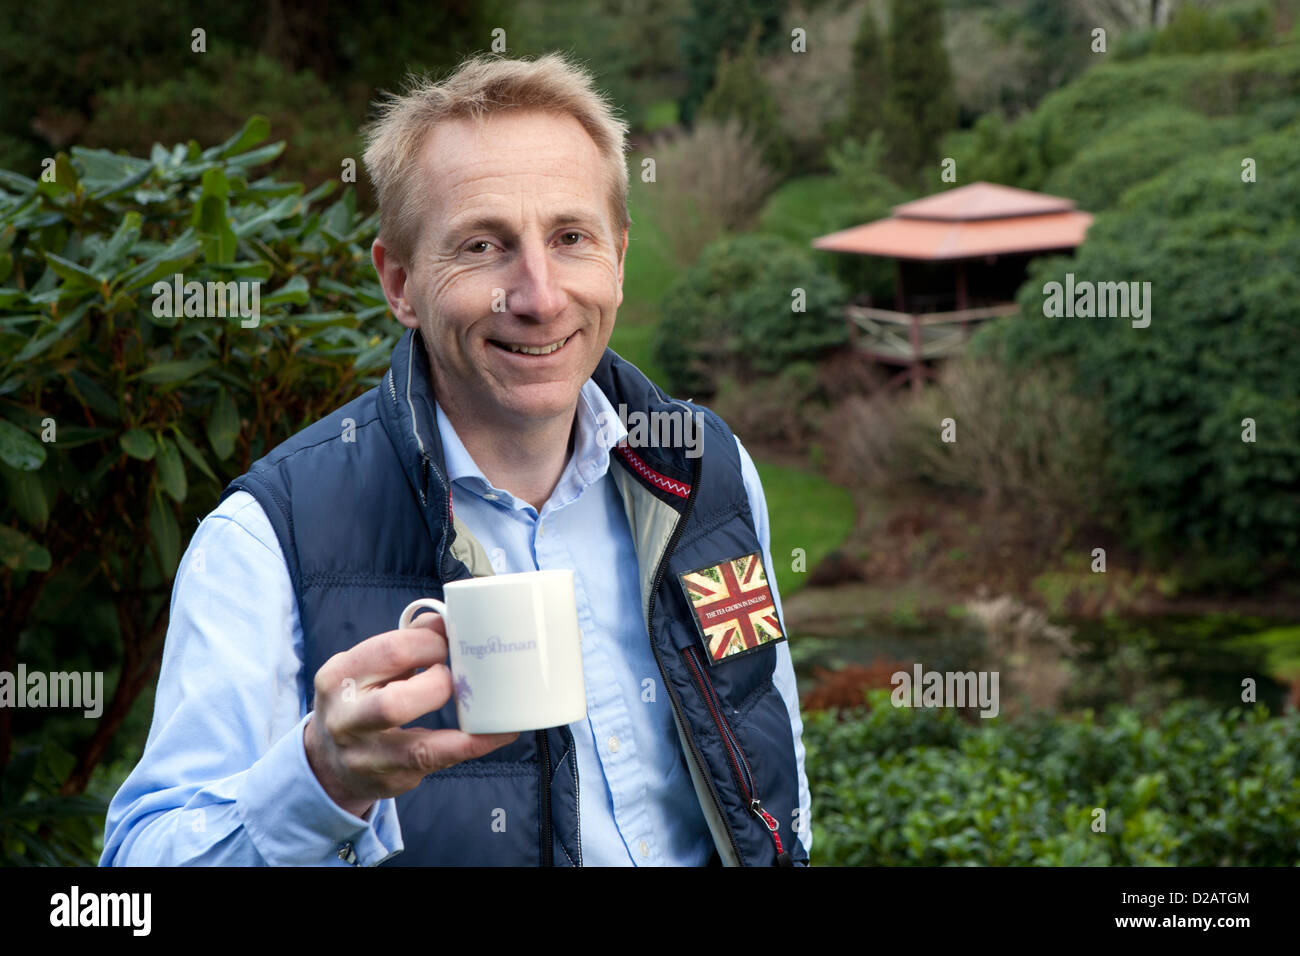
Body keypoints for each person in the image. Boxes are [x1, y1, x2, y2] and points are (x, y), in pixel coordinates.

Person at [100, 52, 811, 867]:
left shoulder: (705, 469)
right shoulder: (268, 538)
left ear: (617, 256)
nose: (539, 295)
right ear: (399, 282)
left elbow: (771, 745)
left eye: (571, 237)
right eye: (482, 246)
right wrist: (322, 780)